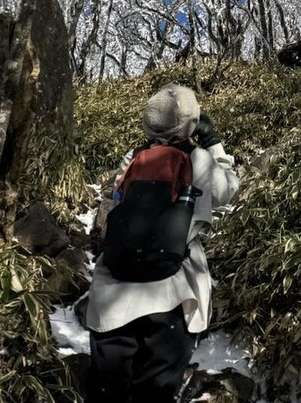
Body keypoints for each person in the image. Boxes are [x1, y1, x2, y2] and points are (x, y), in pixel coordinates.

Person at [85, 83, 240, 403]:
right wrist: (213, 144)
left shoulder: (133, 158)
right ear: (191, 123)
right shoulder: (197, 159)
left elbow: (113, 200)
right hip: (172, 296)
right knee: (154, 394)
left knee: (107, 394)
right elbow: (228, 190)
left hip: (115, 295)